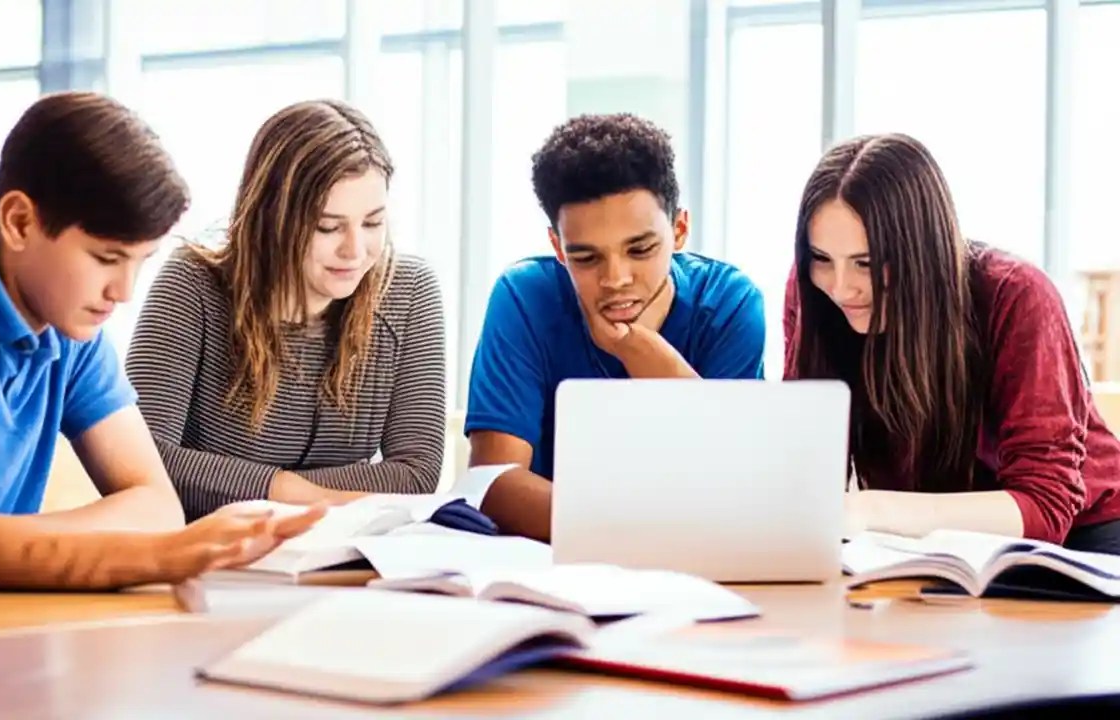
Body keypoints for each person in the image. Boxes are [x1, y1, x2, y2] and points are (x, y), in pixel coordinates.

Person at [0, 91, 324, 587]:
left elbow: (157, 506)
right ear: (19, 222)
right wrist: (160, 557)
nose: (124, 291)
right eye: (106, 258)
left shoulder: (70, 328)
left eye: (141, 261)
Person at [784, 132, 1120, 553]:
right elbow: (808, 467)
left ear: (920, 253)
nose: (841, 287)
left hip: (1081, 537)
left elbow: (1045, 508)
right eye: (821, 259)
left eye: (865, 264)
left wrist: (869, 511)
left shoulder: (1016, 295)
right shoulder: (814, 298)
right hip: (924, 540)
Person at [125, 99, 452, 521]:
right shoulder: (192, 283)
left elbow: (415, 473)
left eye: (373, 223)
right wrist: (292, 492)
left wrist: (248, 487)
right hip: (212, 553)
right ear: (271, 217)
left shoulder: (408, 290)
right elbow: (143, 460)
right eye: (327, 227)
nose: (354, 251)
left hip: (346, 561)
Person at [465, 113, 767, 542]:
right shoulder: (524, 297)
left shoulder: (730, 303)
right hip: (553, 564)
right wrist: (648, 534)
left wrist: (642, 354)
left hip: (698, 565)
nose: (615, 278)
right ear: (558, 247)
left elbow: (742, 485)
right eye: (586, 258)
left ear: (679, 230)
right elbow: (493, 484)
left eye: (640, 249)